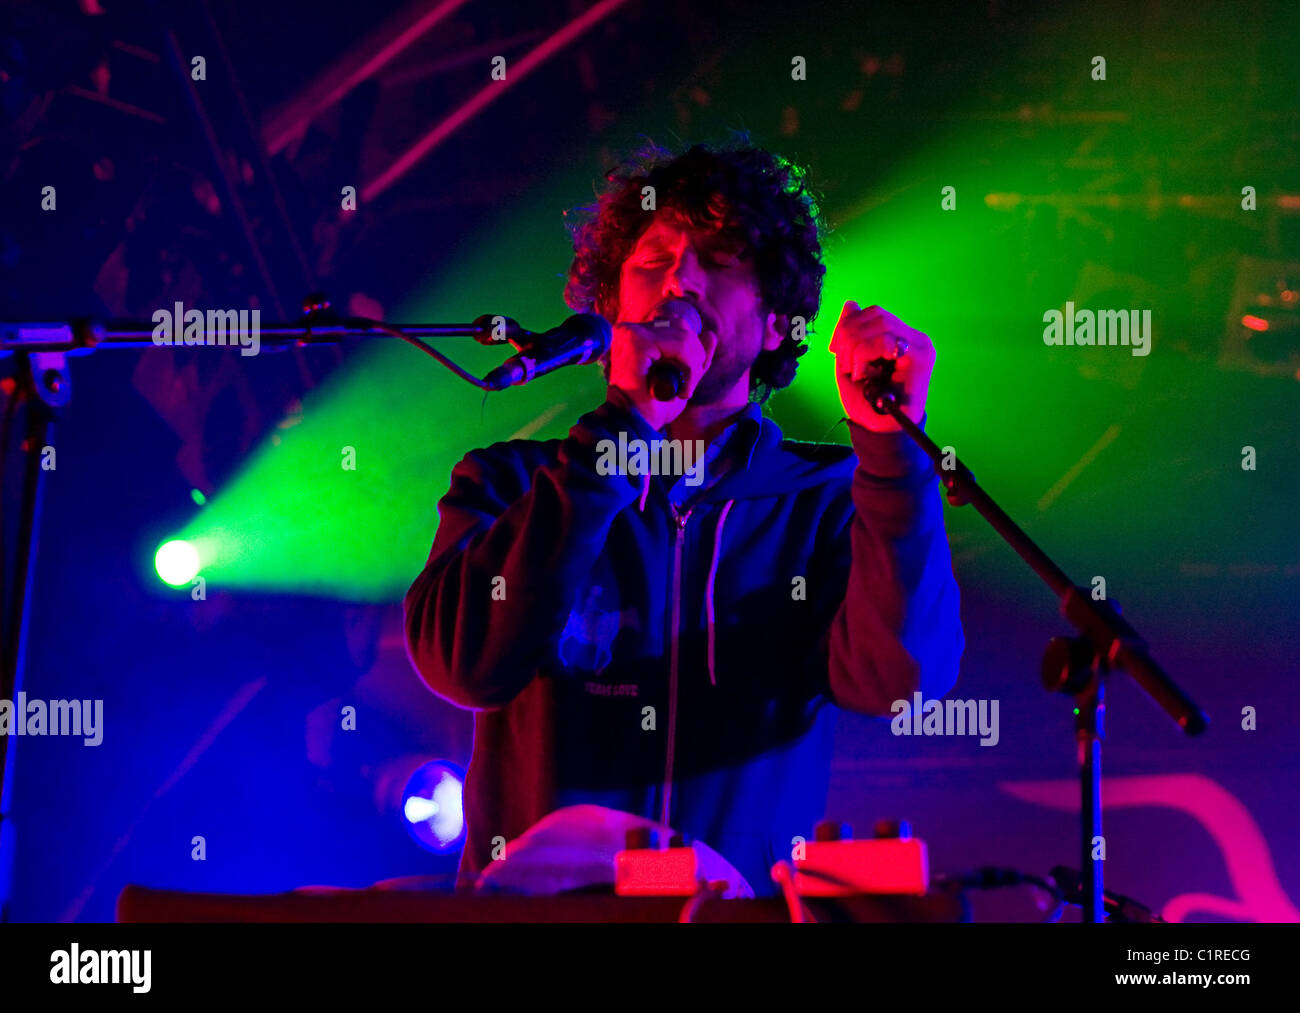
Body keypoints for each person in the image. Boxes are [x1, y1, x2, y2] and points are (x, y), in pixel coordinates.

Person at [403, 137, 965, 896]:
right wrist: (623, 431)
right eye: (653, 258)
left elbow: (901, 681)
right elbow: (459, 662)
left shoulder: (827, 496)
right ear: (611, 311)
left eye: (721, 256)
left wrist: (893, 455)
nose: (680, 277)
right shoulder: (512, 482)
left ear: (776, 325)